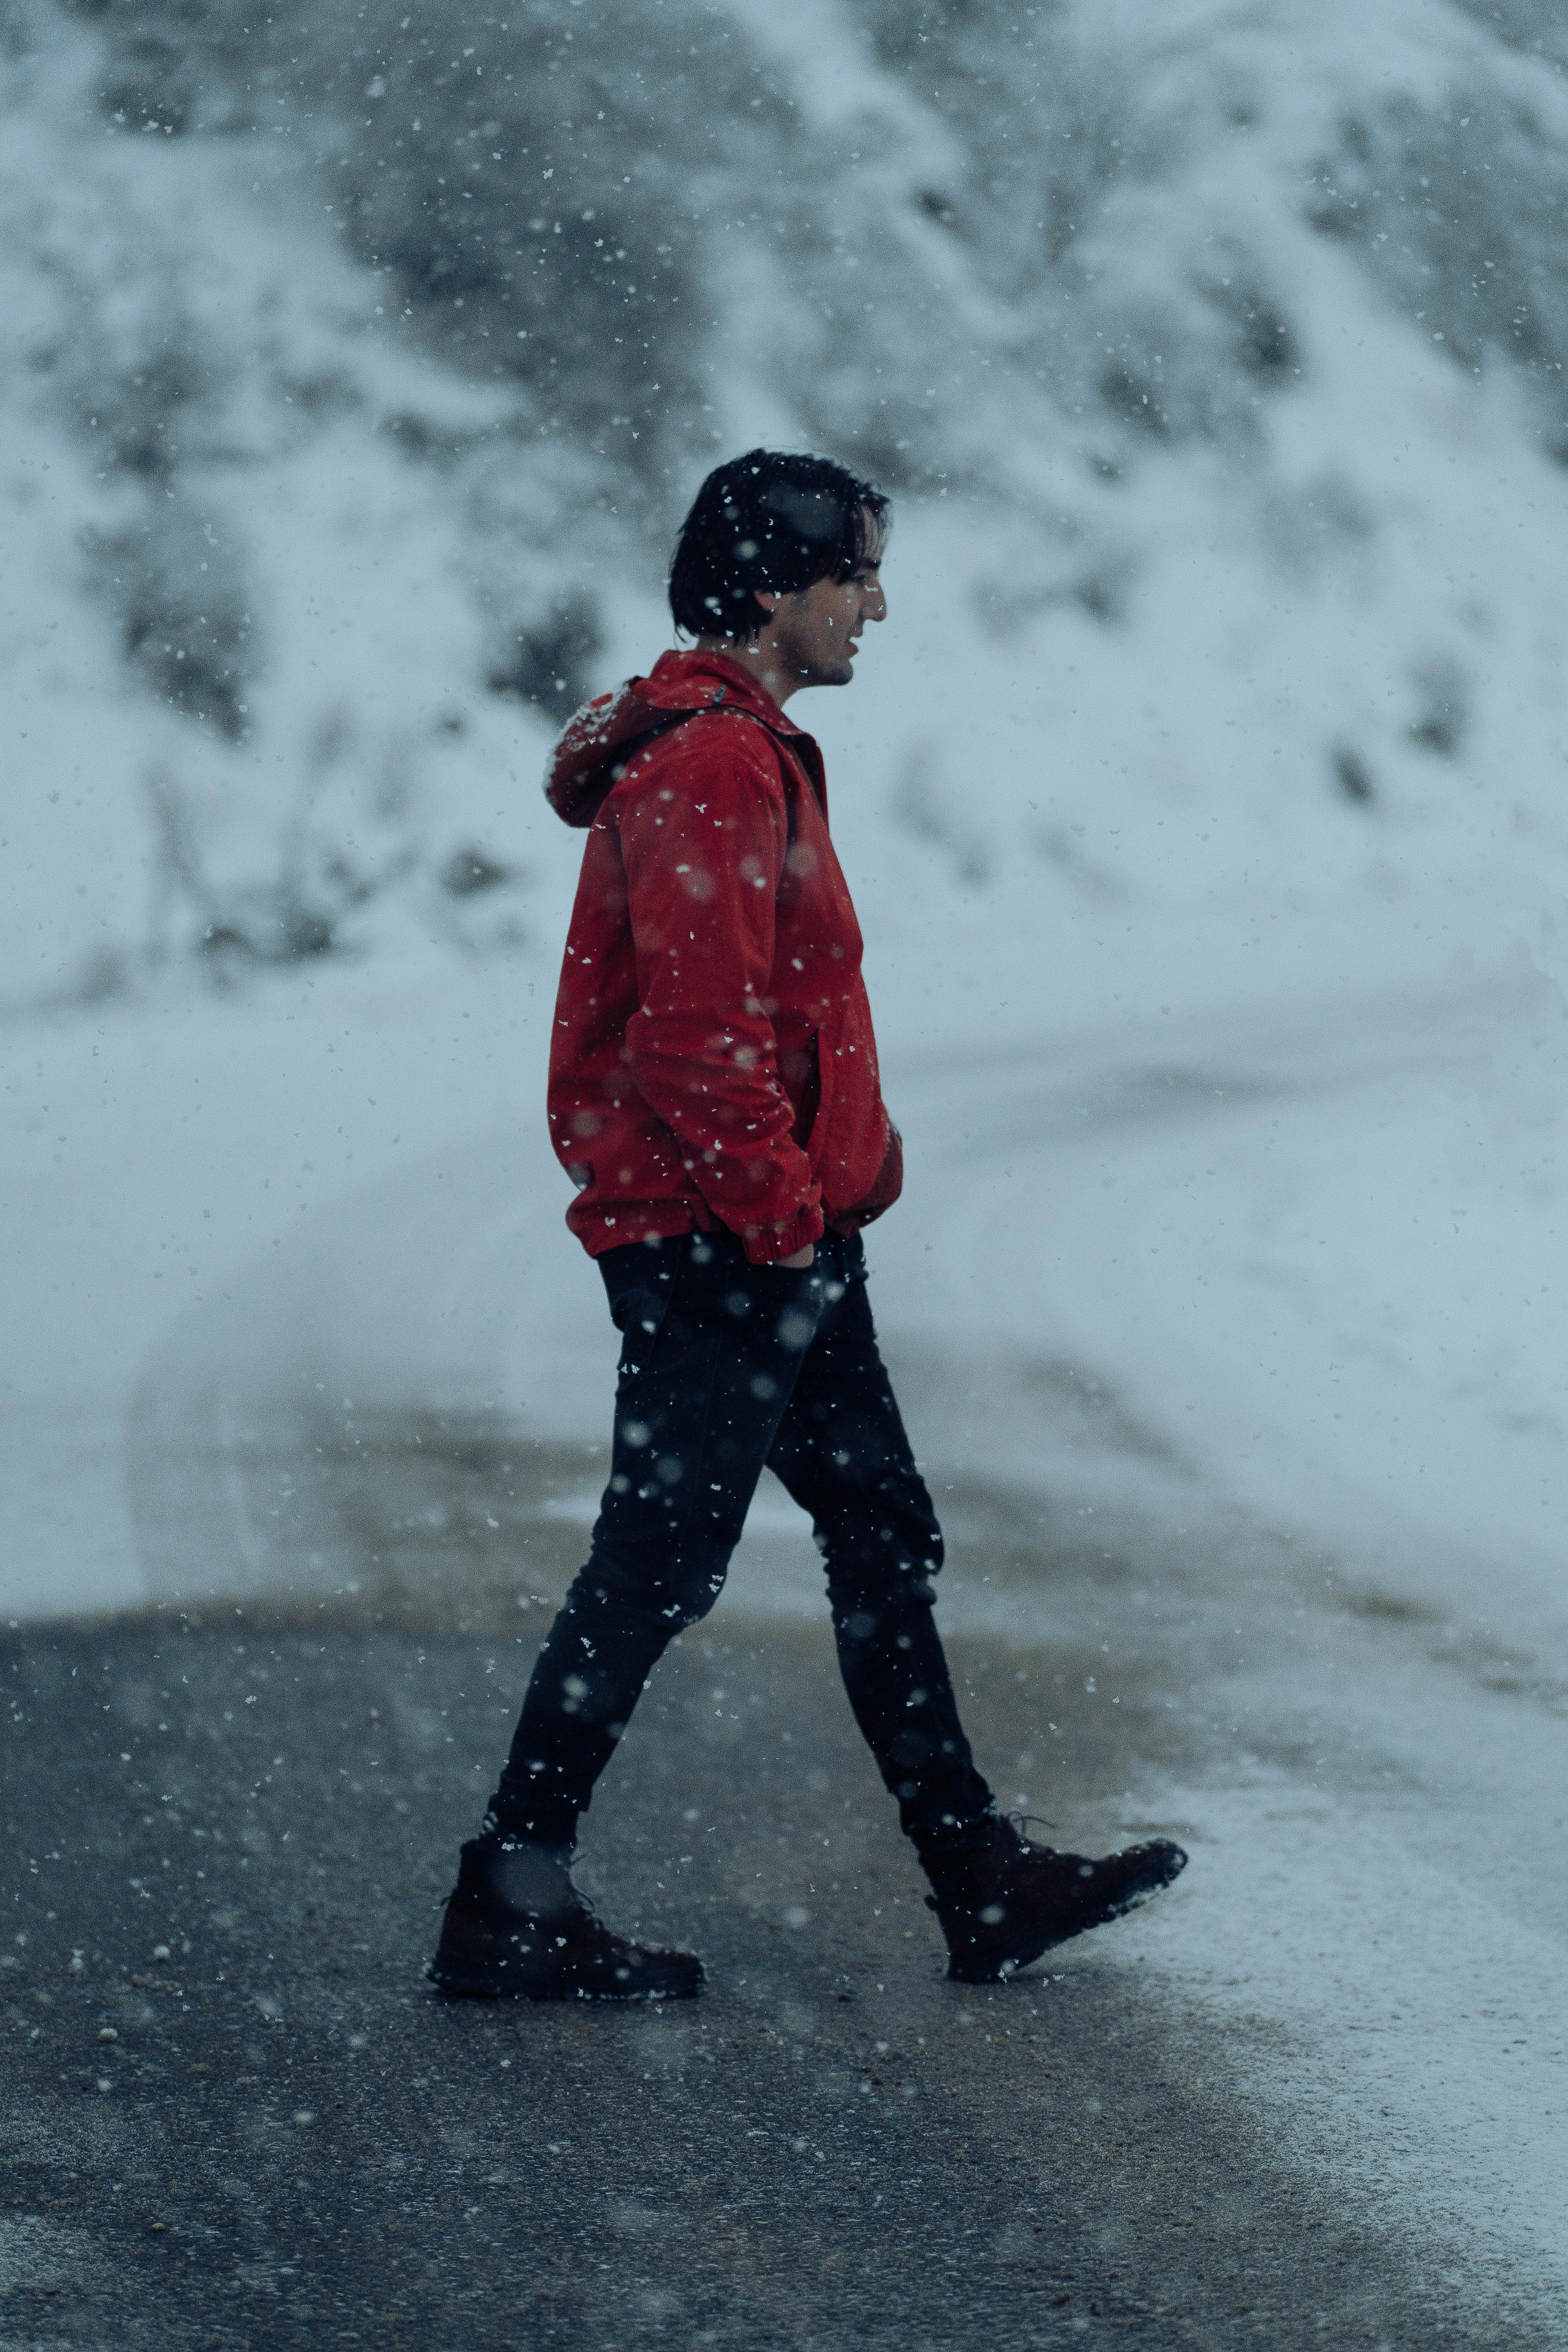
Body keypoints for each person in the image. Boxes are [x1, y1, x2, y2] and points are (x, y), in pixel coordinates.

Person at [429, 449, 1186, 2002]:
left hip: (768, 1231)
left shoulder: (741, 746)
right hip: (725, 1237)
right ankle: (509, 1890)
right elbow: (695, 1044)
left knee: (876, 1535)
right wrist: (781, 1220)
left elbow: (765, 1020)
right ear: (770, 584)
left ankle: (974, 1875)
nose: (877, 604)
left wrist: (833, 1180)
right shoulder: (709, 761)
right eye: (854, 571)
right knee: (654, 1566)